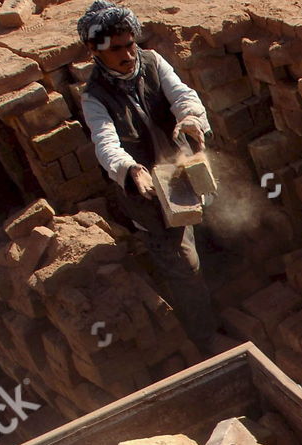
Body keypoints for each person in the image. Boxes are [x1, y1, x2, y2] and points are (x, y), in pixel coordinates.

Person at [76, 0, 216, 348]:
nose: (127, 55)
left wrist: (190, 119)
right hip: (150, 196)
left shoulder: (152, 61)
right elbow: (105, 141)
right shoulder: (94, 97)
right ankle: (205, 337)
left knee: (211, 230)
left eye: (130, 44)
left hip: (182, 172)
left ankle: (222, 277)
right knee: (185, 269)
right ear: (94, 50)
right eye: (116, 49)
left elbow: (182, 95)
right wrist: (130, 170)